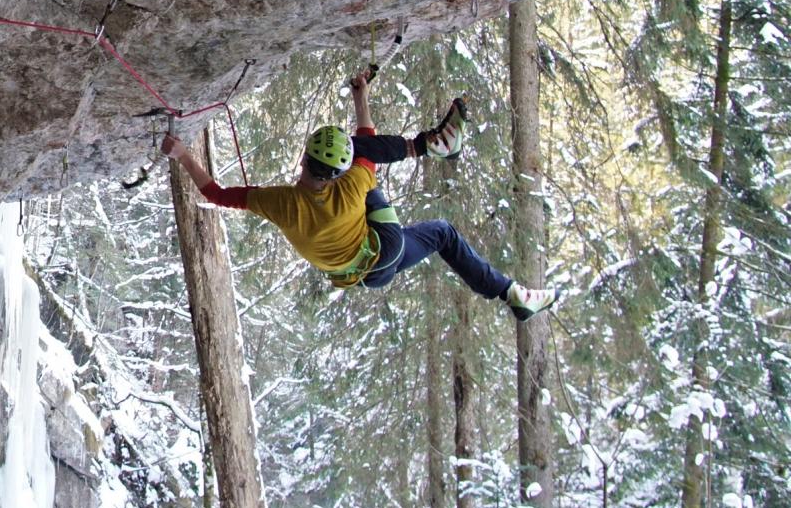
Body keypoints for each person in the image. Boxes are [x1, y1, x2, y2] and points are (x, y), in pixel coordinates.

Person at [161, 69, 557, 321]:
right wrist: (360, 99)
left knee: (440, 231)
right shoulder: (348, 188)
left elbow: (216, 193)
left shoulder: (279, 203)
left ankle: (511, 292)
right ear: (337, 173)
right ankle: (432, 145)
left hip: (367, 277)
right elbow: (365, 145)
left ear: (304, 159)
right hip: (385, 246)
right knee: (370, 171)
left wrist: (183, 156)